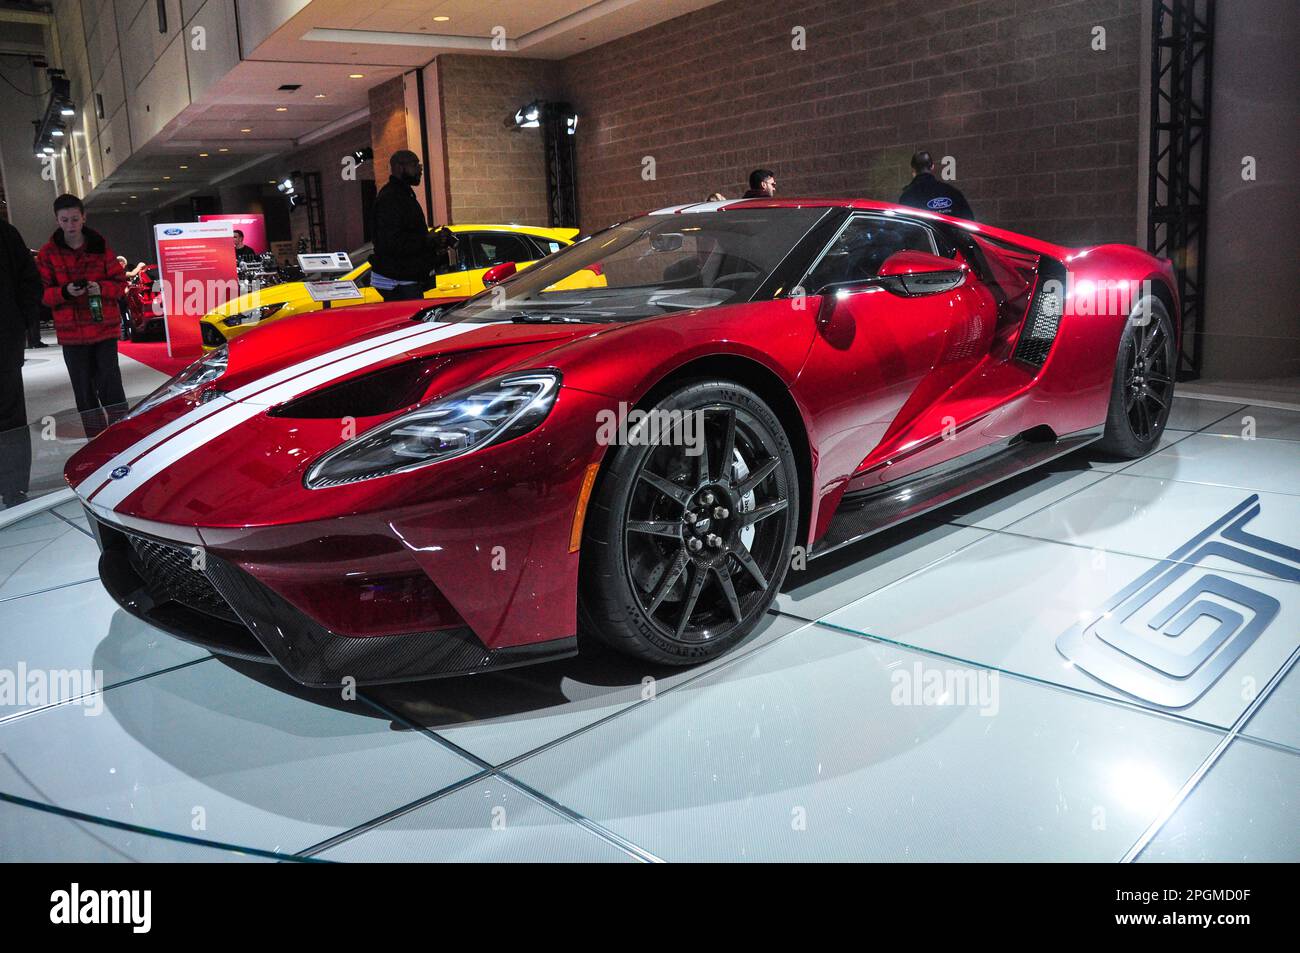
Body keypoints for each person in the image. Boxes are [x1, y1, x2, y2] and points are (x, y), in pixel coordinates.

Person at [36, 193, 129, 437]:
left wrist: (101, 288)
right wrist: (66, 292)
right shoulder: (47, 254)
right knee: (84, 393)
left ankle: (123, 436)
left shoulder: (101, 247)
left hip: (103, 329)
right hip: (72, 334)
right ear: (57, 220)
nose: (70, 225)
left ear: (83, 218)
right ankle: (95, 441)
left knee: (112, 387)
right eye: (65, 220)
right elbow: (43, 295)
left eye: (75, 219)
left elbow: (119, 284)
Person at [369, 150, 458, 302]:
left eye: (419, 165)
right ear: (399, 167)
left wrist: (433, 240)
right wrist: (426, 239)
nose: (420, 169)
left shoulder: (404, 194)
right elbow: (391, 241)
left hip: (405, 276)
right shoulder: (391, 198)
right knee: (410, 321)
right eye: (415, 164)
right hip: (397, 279)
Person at [1, 220, 41, 507]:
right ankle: (14, 488)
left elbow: (29, 281)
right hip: (7, 337)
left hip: (5, 339)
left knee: (11, 415)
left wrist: (23, 324)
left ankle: (14, 487)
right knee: (10, 414)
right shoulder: (6, 233)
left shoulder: (5, 234)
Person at [898, 150, 975, 220]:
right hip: (949, 235)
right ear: (932, 167)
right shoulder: (952, 192)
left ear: (913, 169)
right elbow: (969, 220)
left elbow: (903, 227)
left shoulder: (907, 197)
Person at [25, 250, 48, 348]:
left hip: (27, 293)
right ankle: (34, 341)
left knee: (30, 318)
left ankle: (31, 341)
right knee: (33, 317)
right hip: (31, 294)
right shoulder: (31, 266)